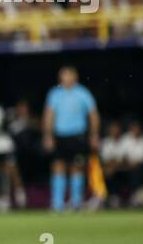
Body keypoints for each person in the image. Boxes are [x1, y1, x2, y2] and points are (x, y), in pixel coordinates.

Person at [42, 66, 100, 211]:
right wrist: (48, 135)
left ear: (75, 77)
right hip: (60, 135)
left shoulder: (83, 93)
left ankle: (76, 201)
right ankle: (57, 203)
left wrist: (94, 134)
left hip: (77, 135)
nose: (66, 79)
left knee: (77, 167)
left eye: (69, 75)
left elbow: (93, 115)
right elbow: (49, 115)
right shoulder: (55, 93)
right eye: (63, 76)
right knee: (58, 166)